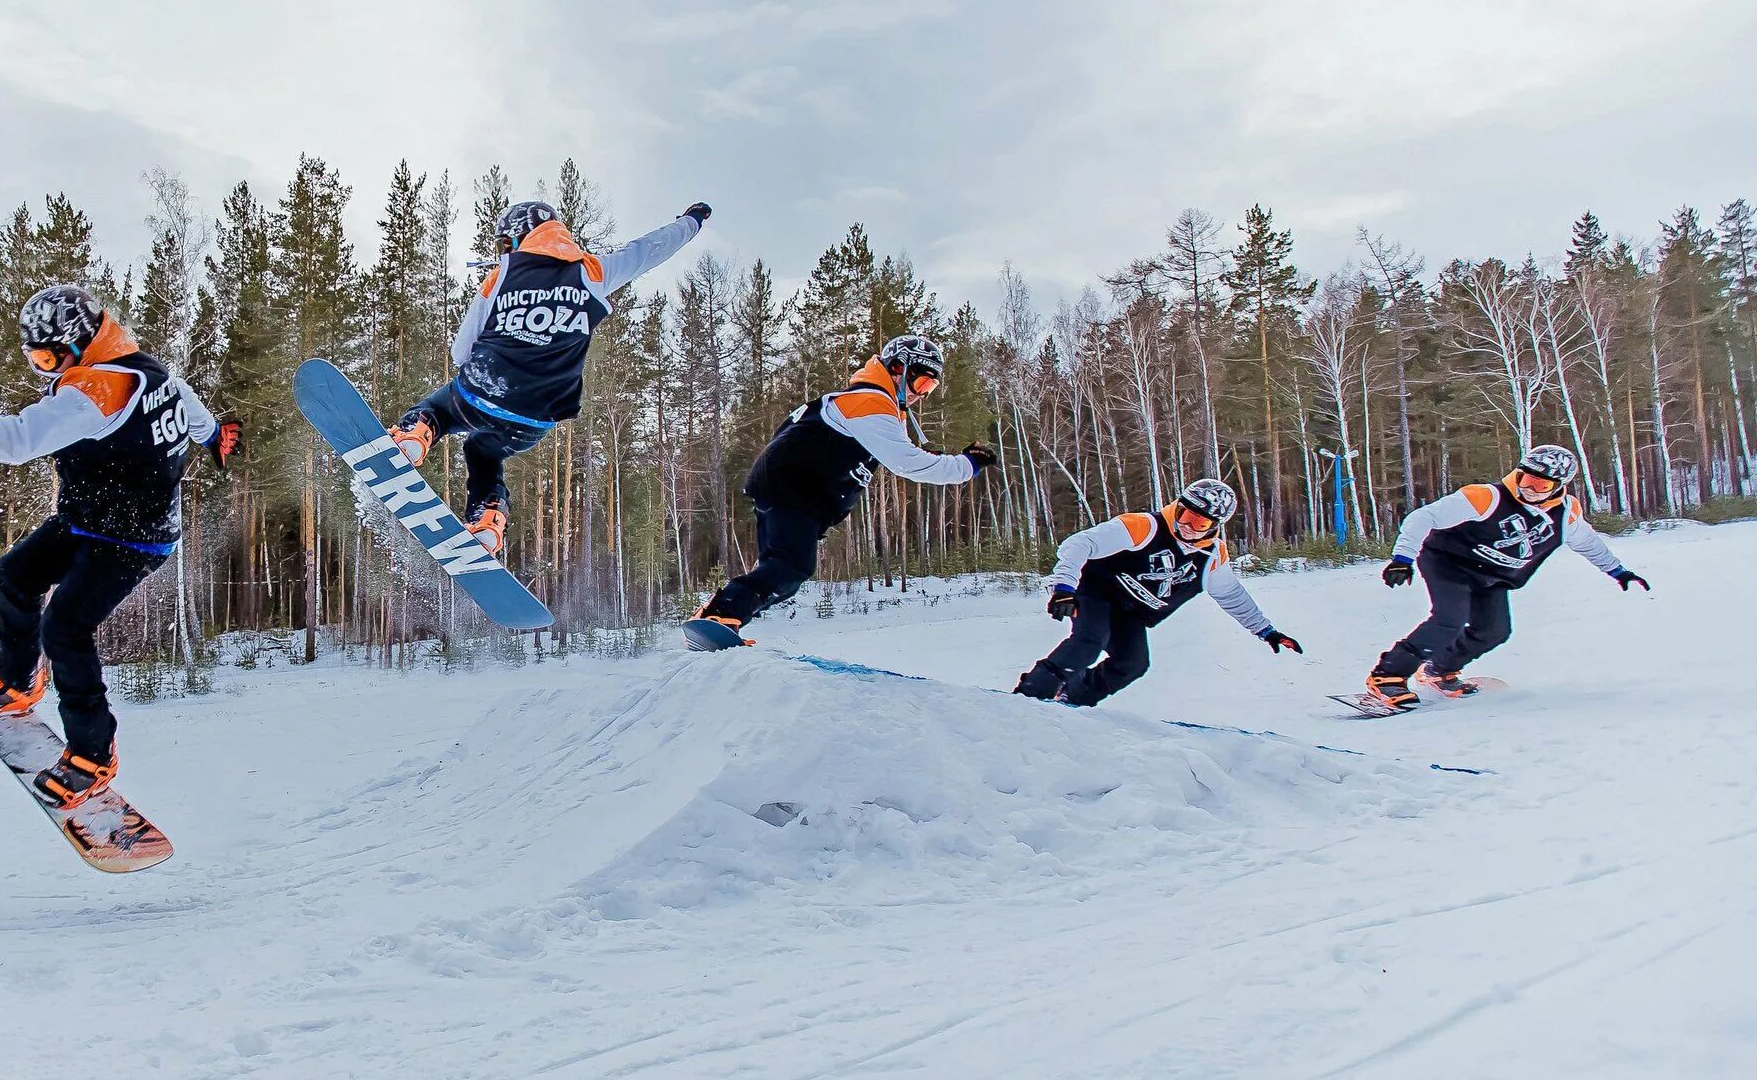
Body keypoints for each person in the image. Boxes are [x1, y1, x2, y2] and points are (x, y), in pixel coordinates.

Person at [0, 284, 239, 809]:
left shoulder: (97, 390)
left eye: (48, 359)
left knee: (66, 627)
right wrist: (213, 436)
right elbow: (192, 409)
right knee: (15, 575)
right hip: (87, 520)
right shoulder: (149, 372)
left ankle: (93, 754)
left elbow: (17, 441)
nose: (43, 371)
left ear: (80, 343)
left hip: (134, 539)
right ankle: (17, 680)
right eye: (34, 359)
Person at [388, 198, 708, 554]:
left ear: (520, 234)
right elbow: (647, 250)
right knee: (482, 450)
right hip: (536, 419)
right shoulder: (593, 272)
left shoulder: (501, 275)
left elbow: (460, 352)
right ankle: (488, 518)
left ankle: (416, 433)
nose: (505, 251)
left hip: (484, 389)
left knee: (438, 410)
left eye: (506, 243)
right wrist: (691, 222)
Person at [688, 335, 994, 645]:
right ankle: (720, 614)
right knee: (791, 567)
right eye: (922, 383)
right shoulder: (870, 402)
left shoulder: (868, 403)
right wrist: (967, 465)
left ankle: (722, 620)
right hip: (793, 488)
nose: (921, 395)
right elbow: (908, 463)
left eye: (930, 388)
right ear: (899, 369)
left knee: (785, 571)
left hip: (788, 486)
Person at [1361, 443, 1646, 710]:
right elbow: (1422, 517)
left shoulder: (1566, 513)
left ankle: (1440, 669)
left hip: (1492, 576)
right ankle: (1387, 676)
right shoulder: (1486, 497)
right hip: (1449, 564)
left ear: (1559, 487)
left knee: (1493, 631)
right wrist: (1402, 559)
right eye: (1527, 479)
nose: (1530, 489)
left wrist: (1617, 571)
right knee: (1448, 620)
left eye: (1542, 485)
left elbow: (1587, 542)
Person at [1014, 478, 1301, 705]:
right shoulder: (1144, 526)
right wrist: (1064, 588)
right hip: (1095, 591)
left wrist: (1266, 631)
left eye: (1200, 523)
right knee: (1089, 642)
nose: (1189, 526)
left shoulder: (1212, 557)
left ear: (1214, 526)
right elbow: (1079, 544)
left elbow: (1231, 595)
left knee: (1132, 664)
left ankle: (1072, 698)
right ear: (1178, 506)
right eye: (1185, 515)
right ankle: (1030, 695)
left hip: (1131, 612)